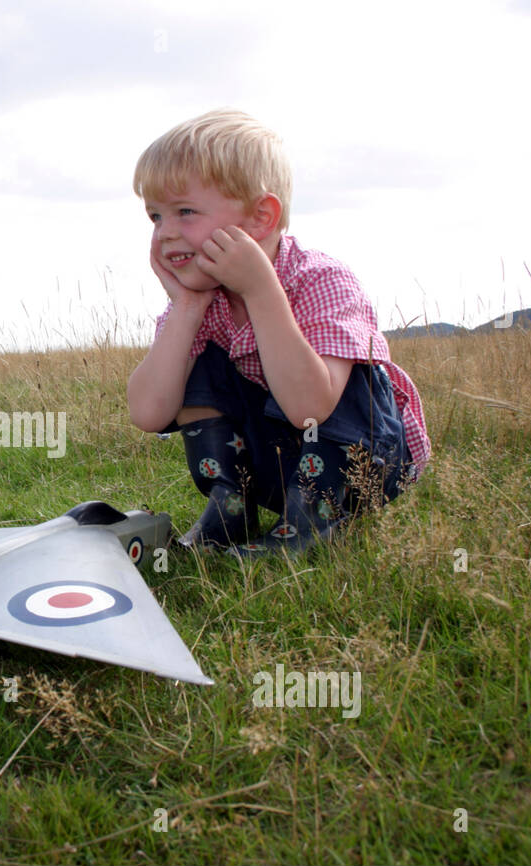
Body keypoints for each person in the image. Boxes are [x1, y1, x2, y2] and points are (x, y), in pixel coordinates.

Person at [126, 109, 431, 556]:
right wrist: (186, 308)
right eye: (155, 217)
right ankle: (231, 504)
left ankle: (311, 520)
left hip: (368, 467)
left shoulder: (320, 279)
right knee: (196, 357)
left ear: (261, 217)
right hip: (278, 463)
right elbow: (149, 413)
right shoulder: (200, 299)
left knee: (330, 365)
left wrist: (260, 289)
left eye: (185, 211)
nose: (167, 233)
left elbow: (310, 407)